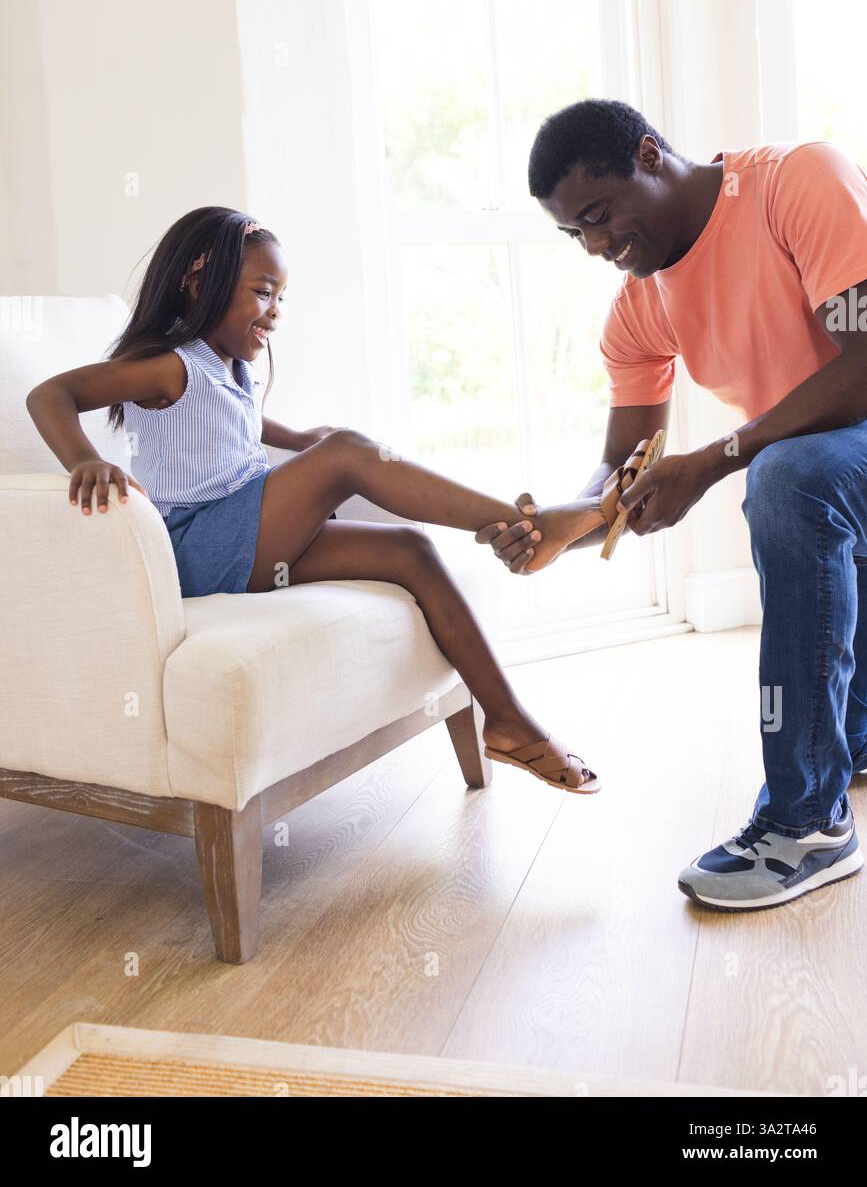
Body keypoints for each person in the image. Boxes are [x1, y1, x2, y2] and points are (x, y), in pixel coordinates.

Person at [25, 206, 612, 797]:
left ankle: (507, 721)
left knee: (410, 549)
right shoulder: (166, 366)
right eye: (262, 293)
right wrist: (85, 460)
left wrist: (297, 440)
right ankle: (522, 525)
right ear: (199, 283)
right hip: (195, 544)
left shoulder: (226, 366)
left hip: (251, 536)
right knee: (349, 454)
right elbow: (53, 394)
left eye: (280, 297)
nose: (275, 312)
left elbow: (239, 420)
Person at [476, 97, 867, 911]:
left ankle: (808, 825)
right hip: (837, 487)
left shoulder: (796, 182)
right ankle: (846, 743)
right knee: (793, 482)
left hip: (829, 466)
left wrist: (717, 460)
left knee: (786, 480)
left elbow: (862, 369)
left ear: (649, 157)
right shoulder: (640, 309)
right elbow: (619, 470)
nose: (592, 244)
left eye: (598, 213)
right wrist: (564, 527)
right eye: (570, 233)